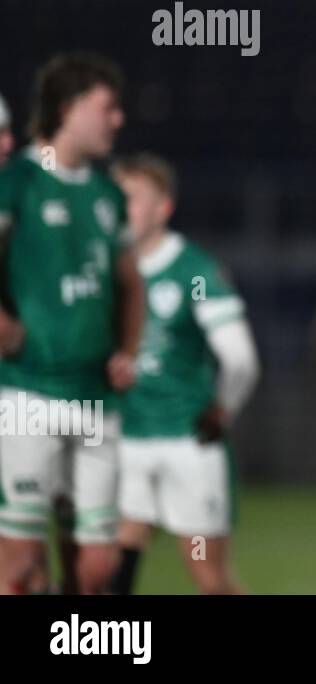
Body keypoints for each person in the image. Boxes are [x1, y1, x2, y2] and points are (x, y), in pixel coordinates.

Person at [0, 53, 144, 594]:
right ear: (69, 109)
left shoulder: (107, 195)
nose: (118, 120)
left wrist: (128, 349)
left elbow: (131, 283)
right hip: (28, 395)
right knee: (16, 564)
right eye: (107, 108)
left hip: (96, 401)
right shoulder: (16, 183)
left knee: (97, 567)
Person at [111, 154, 259, 594]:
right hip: (125, 439)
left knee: (208, 576)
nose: (123, 211)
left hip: (186, 443)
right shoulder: (107, 268)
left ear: (163, 208)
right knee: (114, 570)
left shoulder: (195, 271)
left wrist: (221, 410)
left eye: (134, 200)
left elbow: (241, 361)